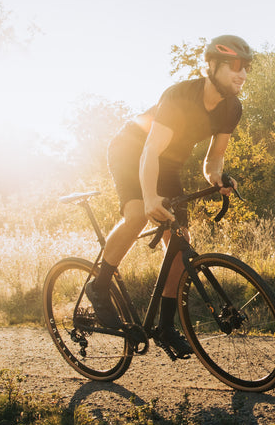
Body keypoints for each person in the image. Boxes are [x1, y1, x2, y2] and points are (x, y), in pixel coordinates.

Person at [85, 34, 252, 359]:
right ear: (211, 67)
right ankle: (99, 286)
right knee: (137, 215)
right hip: (132, 150)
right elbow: (149, 152)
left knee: (179, 244)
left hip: (168, 163)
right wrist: (149, 198)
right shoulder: (179, 97)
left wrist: (217, 177)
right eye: (234, 65)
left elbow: (213, 159)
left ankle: (164, 327)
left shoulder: (232, 108)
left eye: (246, 67)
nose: (242, 73)